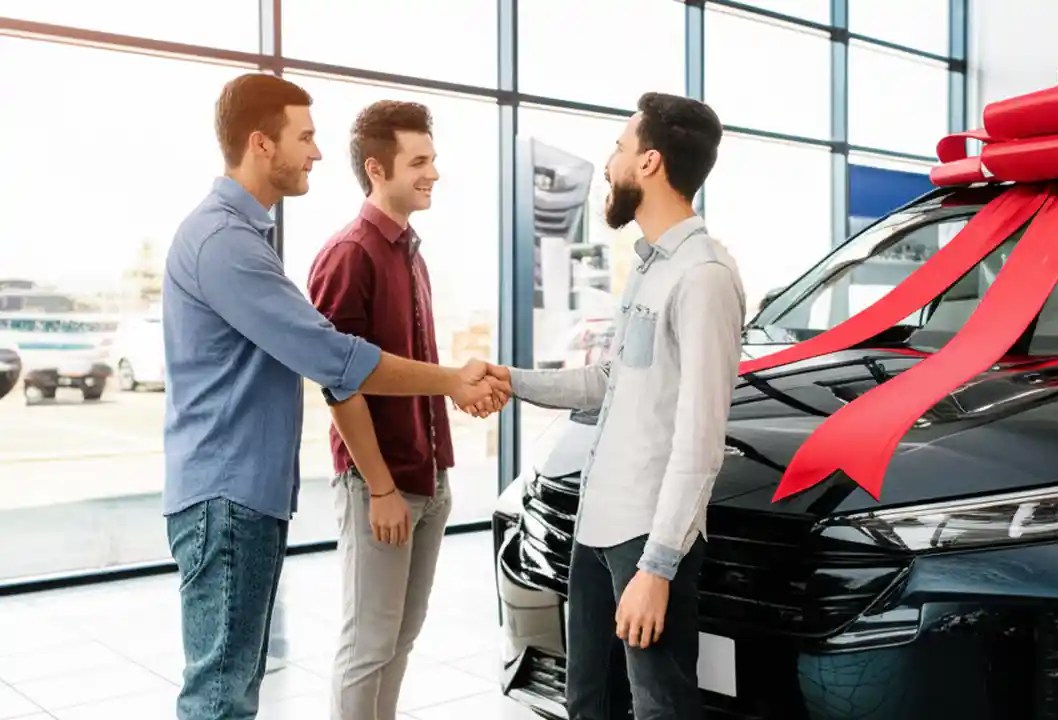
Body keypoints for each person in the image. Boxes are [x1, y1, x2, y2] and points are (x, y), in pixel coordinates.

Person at [162, 73, 505, 720]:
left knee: (234, 684)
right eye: (305, 137)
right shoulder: (229, 244)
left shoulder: (246, 240)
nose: (318, 153)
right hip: (227, 495)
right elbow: (332, 361)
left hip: (246, 494)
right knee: (222, 693)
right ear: (261, 144)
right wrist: (451, 383)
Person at [482, 92, 744, 720]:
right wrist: (510, 380)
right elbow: (610, 381)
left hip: (647, 539)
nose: (609, 163)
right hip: (597, 527)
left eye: (619, 148)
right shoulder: (650, 267)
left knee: (661, 707)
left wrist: (657, 567)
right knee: (588, 702)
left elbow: (700, 438)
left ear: (650, 162)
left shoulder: (704, 277)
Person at [306, 100, 458, 719]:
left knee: (400, 638)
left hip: (428, 480)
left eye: (433, 159)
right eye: (419, 161)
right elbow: (338, 384)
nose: (433, 173)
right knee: (367, 644)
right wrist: (381, 488)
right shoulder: (350, 253)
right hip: (383, 485)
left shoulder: (410, 253)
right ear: (377, 168)